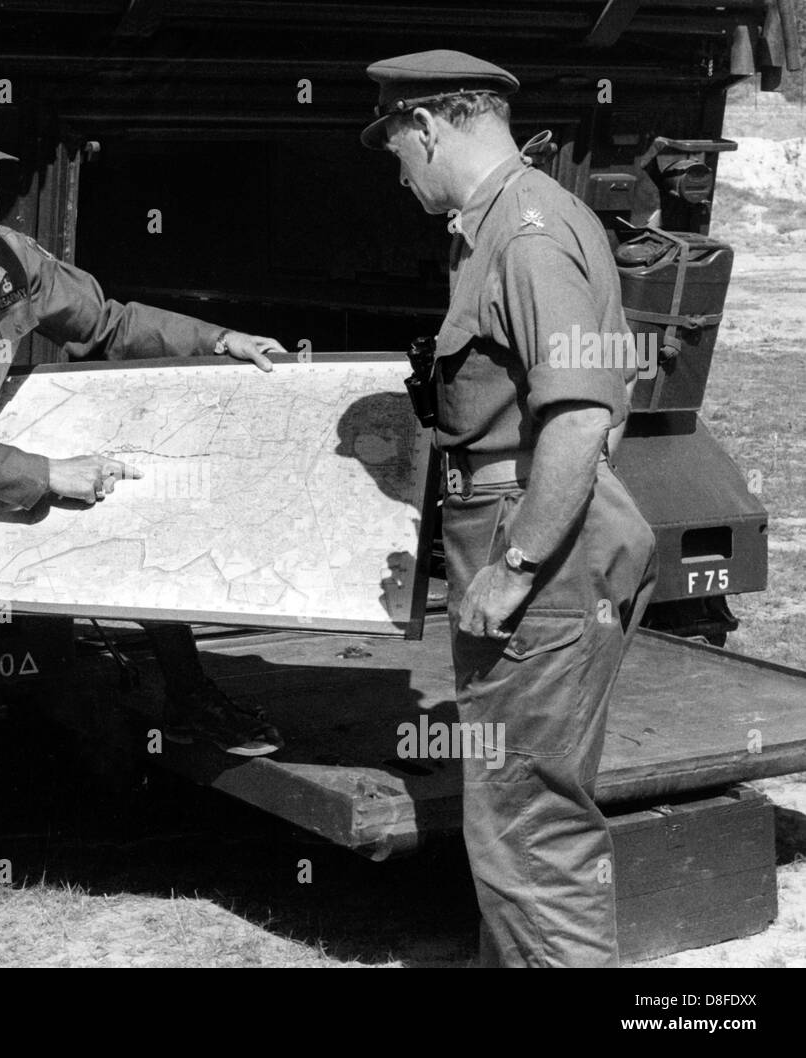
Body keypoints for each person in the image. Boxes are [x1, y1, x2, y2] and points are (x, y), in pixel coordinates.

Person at [0, 109, 285, 968]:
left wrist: (215, 338)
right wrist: (44, 474)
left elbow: (106, 320)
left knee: (136, 556)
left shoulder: (11, 259)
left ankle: (145, 737)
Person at [362, 51, 657, 966]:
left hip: (541, 555)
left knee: (527, 830)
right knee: (523, 810)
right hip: (547, 531)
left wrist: (518, 561)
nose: (398, 171)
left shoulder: (522, 235)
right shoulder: (532, 217)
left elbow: (576, 418)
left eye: (396, 150)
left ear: (429, 125)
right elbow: (609, 394)